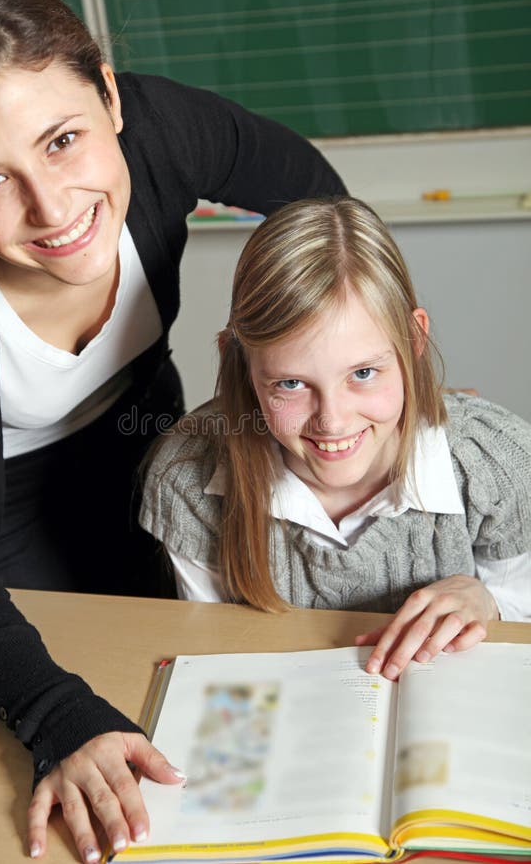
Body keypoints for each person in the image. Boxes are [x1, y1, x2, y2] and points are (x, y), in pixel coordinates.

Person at [0, 0, 348, 862]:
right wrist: (59, 718)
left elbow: (321, 202)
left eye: (64, 139)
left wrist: (344, 366)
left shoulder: (165, 129)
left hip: (152, 444)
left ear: (112, 97)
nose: (52, 211)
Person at [141, 196, 531, 677]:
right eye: (290, 383)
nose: (332, 420)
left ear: (413, 342)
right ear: (240, 365)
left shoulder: (495, 464)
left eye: (364, 372)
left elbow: (521, 614)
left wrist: (486, 599)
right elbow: (215, 655)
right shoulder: (190, 480)